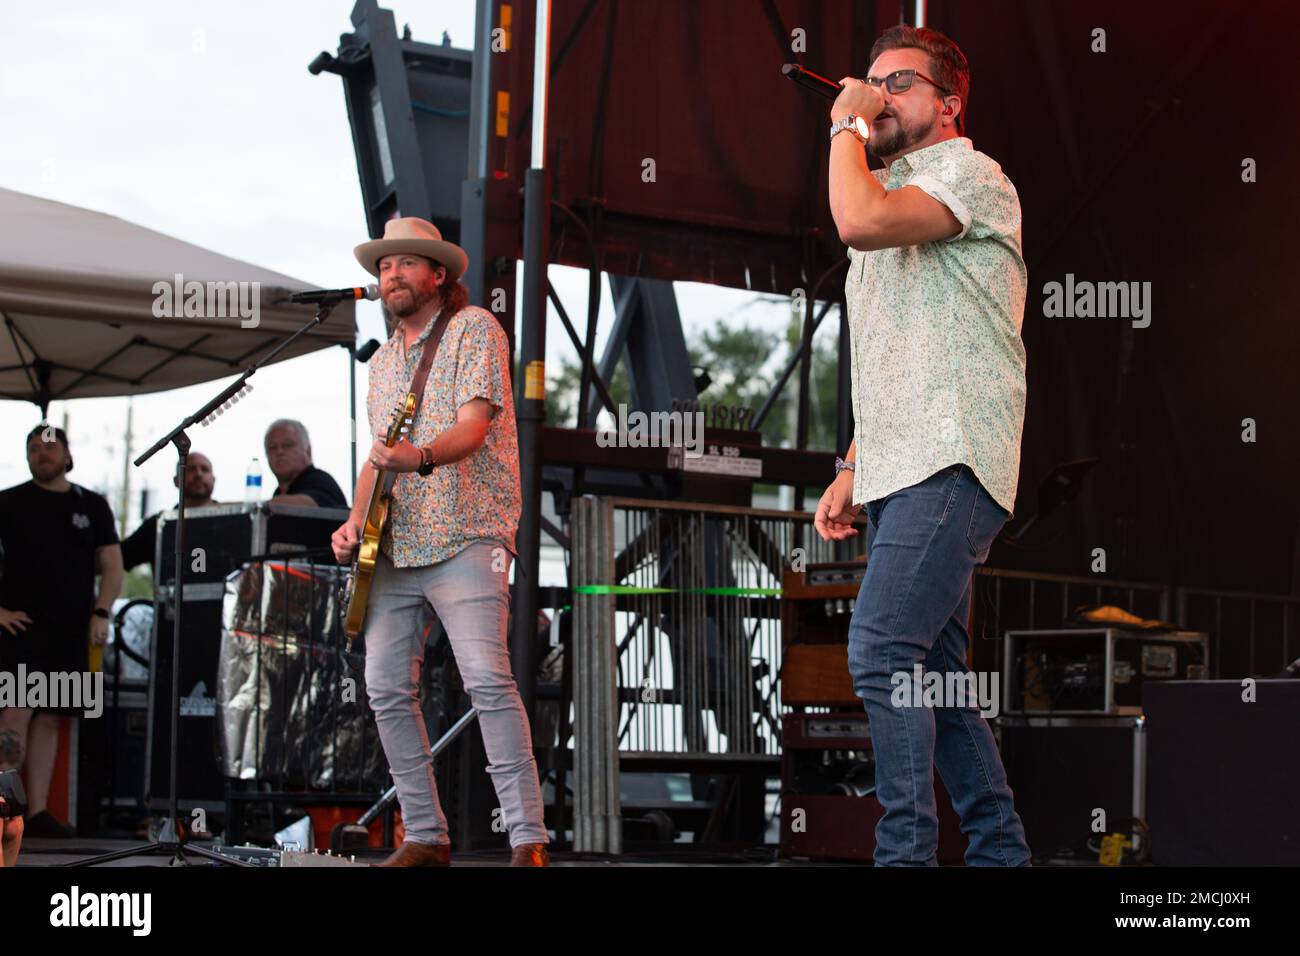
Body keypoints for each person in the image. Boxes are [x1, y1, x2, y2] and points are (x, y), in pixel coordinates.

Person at [814, 25, 1032, 866]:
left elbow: (857, 220)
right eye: (870, 83)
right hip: (902, 463)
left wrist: (844, 124)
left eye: (898, 83)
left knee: (879, 649)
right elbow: (904, 346)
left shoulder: (970, 176)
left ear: (948, 103)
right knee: (936, 683)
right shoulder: (888, 182)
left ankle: (903, 855)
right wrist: (852, 462)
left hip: (954, 456)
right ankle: (1001, 854)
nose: (879, 95)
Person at [331, 217, 548, 867]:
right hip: (396, 544)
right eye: (383, 267)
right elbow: (377, 458)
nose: (390, 275)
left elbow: (473, 428)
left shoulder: (475, 327)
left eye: (404, 264)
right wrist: (352, 519)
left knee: (487, 679)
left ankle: (528, 839)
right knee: (384, 687)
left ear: (438, 275)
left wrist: (417, 456)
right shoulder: (381, 364)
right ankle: (424, 835)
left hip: (467, 530)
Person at [0, 425, 123, 838]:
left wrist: (102, 612)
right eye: (33, 447)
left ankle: (36, 812)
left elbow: (113, 564)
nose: (41, 453)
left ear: (68, 454)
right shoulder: (8, 502)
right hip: (21, 629)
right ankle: (4, 810)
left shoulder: (94, 505)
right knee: (16, 714)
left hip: (73, 630)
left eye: (50, 446)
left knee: (53, 717)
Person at [120, 451, 219, 572]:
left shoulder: (235, 521)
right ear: (176, 481)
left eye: (205, 469)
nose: (198, 474)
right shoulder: (159, 525)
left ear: (213, 480)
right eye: (191, 469)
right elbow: (115, 558)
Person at [265, 419, 348, 509]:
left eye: (287, 445)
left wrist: (259, 508)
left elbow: (310, 504)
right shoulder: (278, 493)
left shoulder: (320, 480)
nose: (279, 451)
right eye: (272, 447)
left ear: (308, 450)